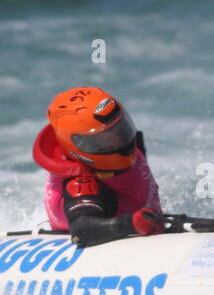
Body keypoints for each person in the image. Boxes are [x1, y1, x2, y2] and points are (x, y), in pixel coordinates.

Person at [33, 86, 165, 247]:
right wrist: (132, 223)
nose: (118, 140)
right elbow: (82, 232)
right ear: (78, 144)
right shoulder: (80, 184)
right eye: (103, 140)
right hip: (99, 233)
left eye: (120, 129)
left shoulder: (125, 145)